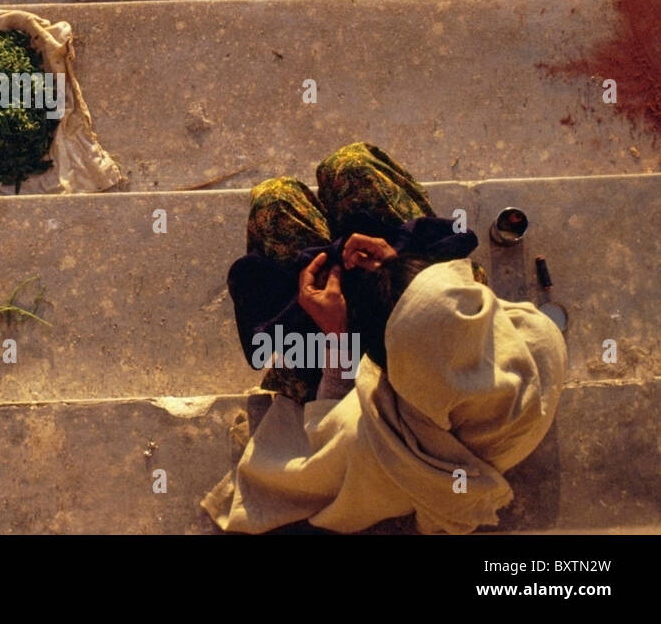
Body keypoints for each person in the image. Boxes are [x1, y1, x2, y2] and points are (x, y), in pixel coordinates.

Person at [204, 142, 567, 533]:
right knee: (349, 164)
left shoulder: (383, 444)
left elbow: (329, 424)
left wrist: (337, 333)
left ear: (386, 364)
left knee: (274, 202)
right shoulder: (538, 340)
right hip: (417, 317)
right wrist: (399, 262)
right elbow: (446, 306)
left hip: (343, 355)